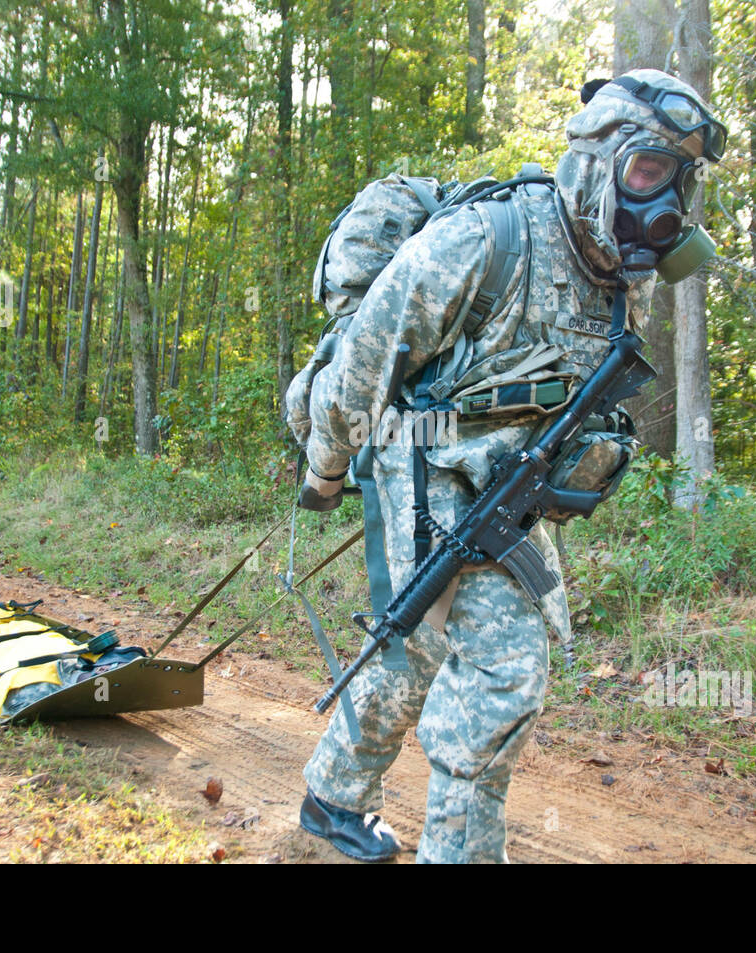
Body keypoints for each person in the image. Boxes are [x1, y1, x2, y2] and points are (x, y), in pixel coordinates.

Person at [291, 69, 726, 863]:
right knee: (498, 666)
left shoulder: (627, 282)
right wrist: (325, 471)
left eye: (678, 178)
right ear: (597, 158)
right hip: (415, 454)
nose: (663, 200)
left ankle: (331, 795)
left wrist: (586, 462)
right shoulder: (485, 240)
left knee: (417, 649)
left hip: (504, 477)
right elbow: (362, 364)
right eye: (648, 169)